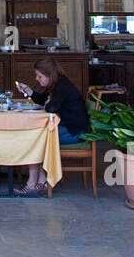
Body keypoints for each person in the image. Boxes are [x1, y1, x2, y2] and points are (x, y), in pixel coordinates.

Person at [13, 57, 88, 195]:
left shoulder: (62, 85)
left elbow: (51, 108)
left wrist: (49, 103)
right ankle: (42, 180)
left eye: (39, 76)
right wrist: (29, 91)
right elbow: (43, 100)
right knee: (36, 137)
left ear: (49, 74)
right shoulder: (56, 85)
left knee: (34, 139)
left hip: (75, 132)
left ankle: (32, 182)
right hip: (68, 128)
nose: (37, 79)